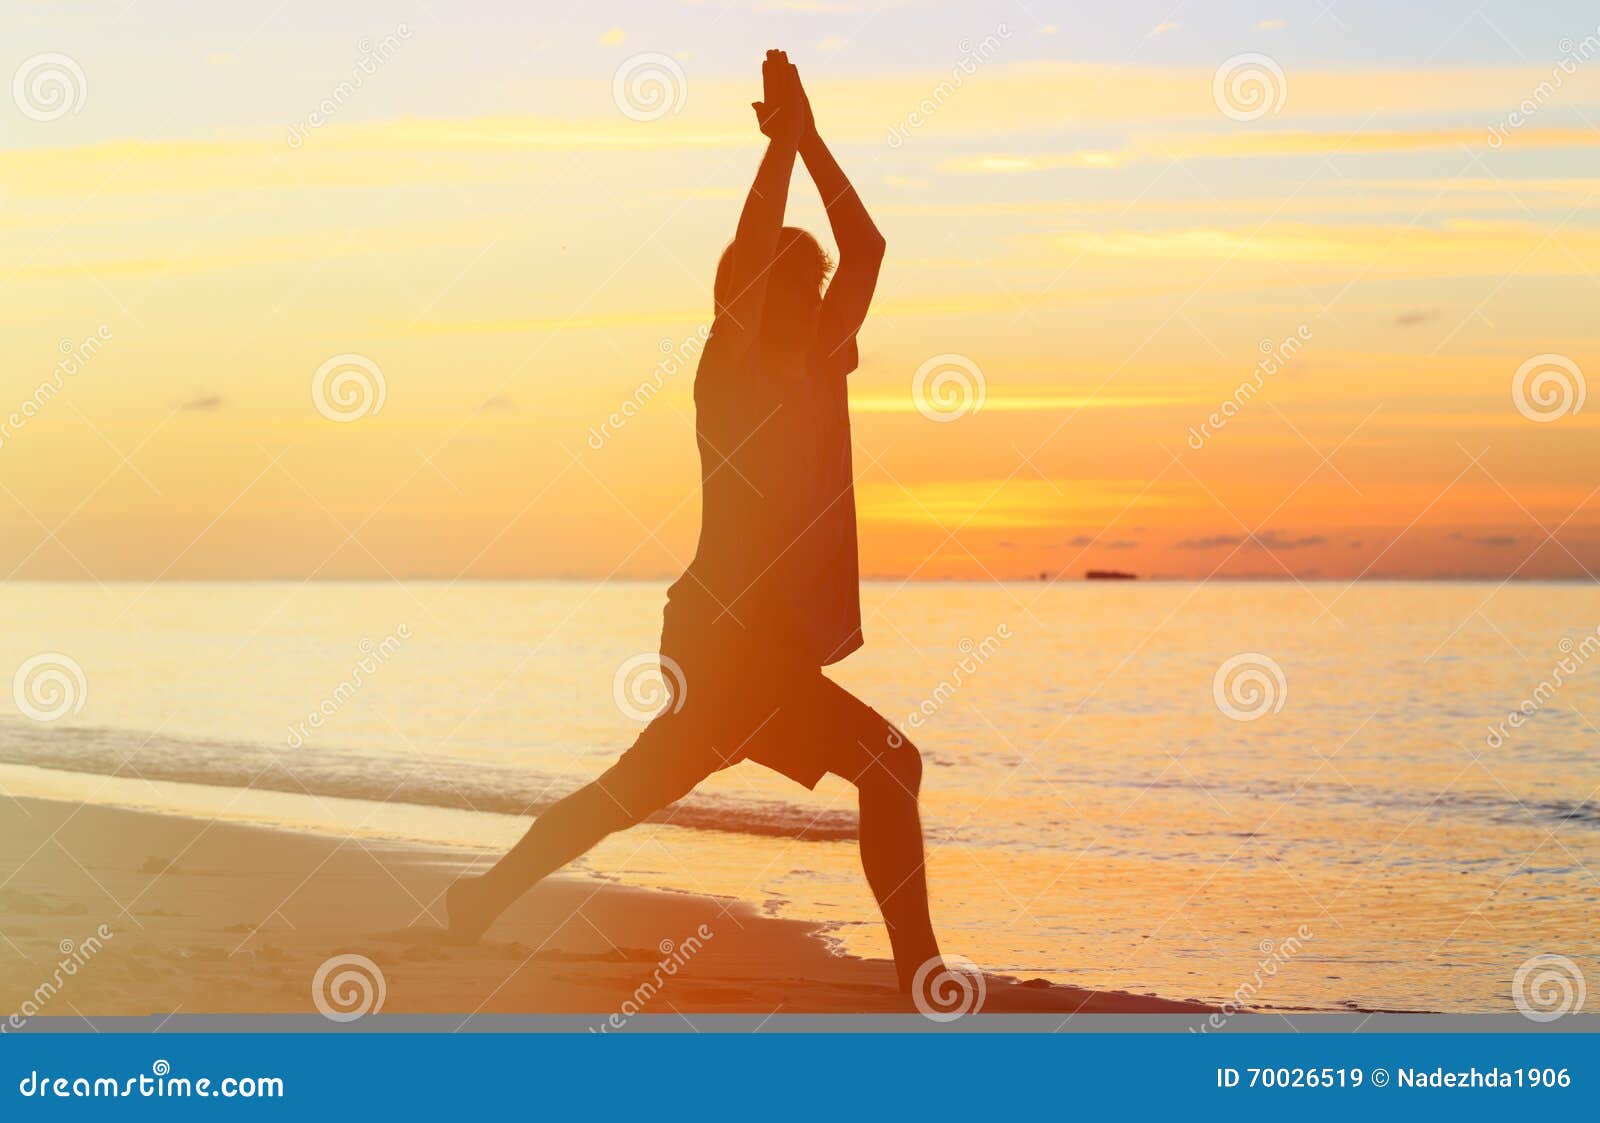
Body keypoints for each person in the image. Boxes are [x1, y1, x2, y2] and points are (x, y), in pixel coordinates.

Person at [447, 50, 941, 994]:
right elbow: (754, 257)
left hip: (748, 646)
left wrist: (814, 138)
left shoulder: (821, 364)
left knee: (626, 794)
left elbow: (868, 250)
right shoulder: (731, 377)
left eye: (813, 293)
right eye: (793, 293)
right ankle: (920, 972)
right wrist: (781, 152)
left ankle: (481, 899)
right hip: (727, 639)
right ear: (753, 305)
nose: (814, 305)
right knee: (892, 767)